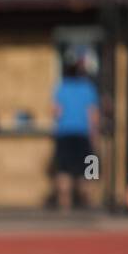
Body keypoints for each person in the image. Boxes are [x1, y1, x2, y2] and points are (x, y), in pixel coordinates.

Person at [52, 58, 99, 210]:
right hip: (83, 133)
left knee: (63, 169)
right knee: (88, 168)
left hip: (64, 133)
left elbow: (56, 112)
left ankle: (65, 203)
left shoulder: (61, 88)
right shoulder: (88, 88)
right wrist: (94, 135)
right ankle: (88, 200)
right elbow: (93, 115)